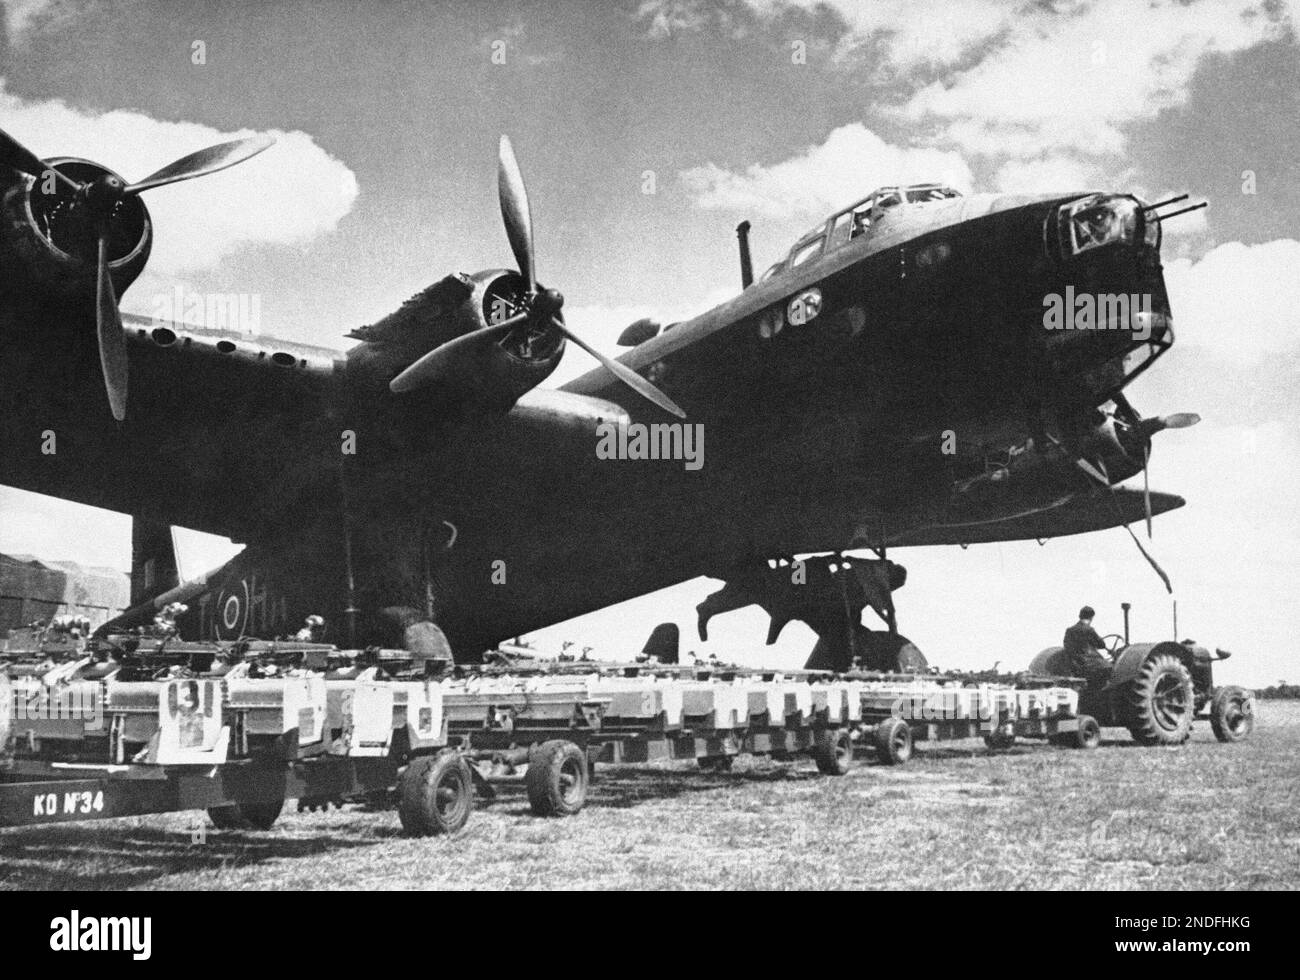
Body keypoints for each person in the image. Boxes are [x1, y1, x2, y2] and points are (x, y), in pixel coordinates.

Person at [1064, 605, 1111, 685]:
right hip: (1089, 662)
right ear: (1091, 617)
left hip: (1074, 662)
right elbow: (1101, 644)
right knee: (1111, 668)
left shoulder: (1070, 630)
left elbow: (1066, 645)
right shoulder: (1089, 630)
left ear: (1080, 616)